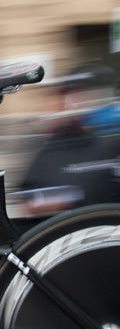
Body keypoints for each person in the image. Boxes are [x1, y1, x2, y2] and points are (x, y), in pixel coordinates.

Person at [19, 64, 119, 216]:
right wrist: (73, 195)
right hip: (75, 230)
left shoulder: (106, 142)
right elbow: (31, 202)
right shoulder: (50, 146)